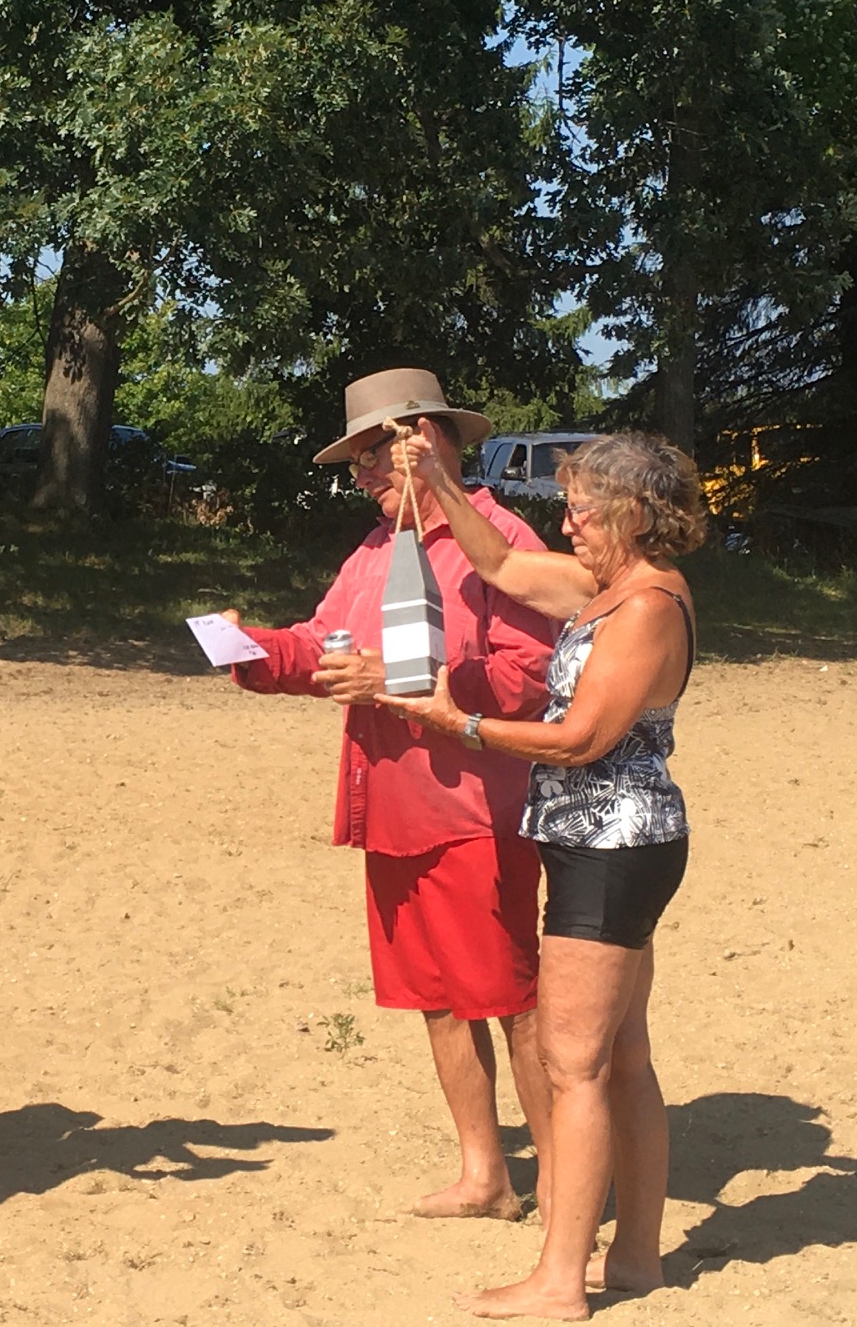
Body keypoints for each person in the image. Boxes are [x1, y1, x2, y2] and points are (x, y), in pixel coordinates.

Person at [377, 431, 705, 1322]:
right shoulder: (610, 587)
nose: (568, 526)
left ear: (632, 516)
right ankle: (635, 1261)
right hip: (605, 844)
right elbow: (505, 568)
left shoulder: (645, 609)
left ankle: (561, 1281)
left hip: (612, 848)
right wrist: (439, 478)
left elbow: (581, 740)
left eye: (581, 512)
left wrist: (462, 725)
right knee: (623, 1058)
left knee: (574, 1067)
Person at [223, 369, 560, 1222]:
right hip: (394, 808)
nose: (363, 475)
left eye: (373, 454)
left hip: (472, 812)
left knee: (513, 1001)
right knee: (439, 1000)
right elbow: (320, 645)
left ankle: (562, 1182)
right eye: (358, 461)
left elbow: (530, 678)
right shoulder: (376, 550)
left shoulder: (503, 540)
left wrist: (408, 679)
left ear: (426, 438)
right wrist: (249, 651)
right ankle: (487, 1175)